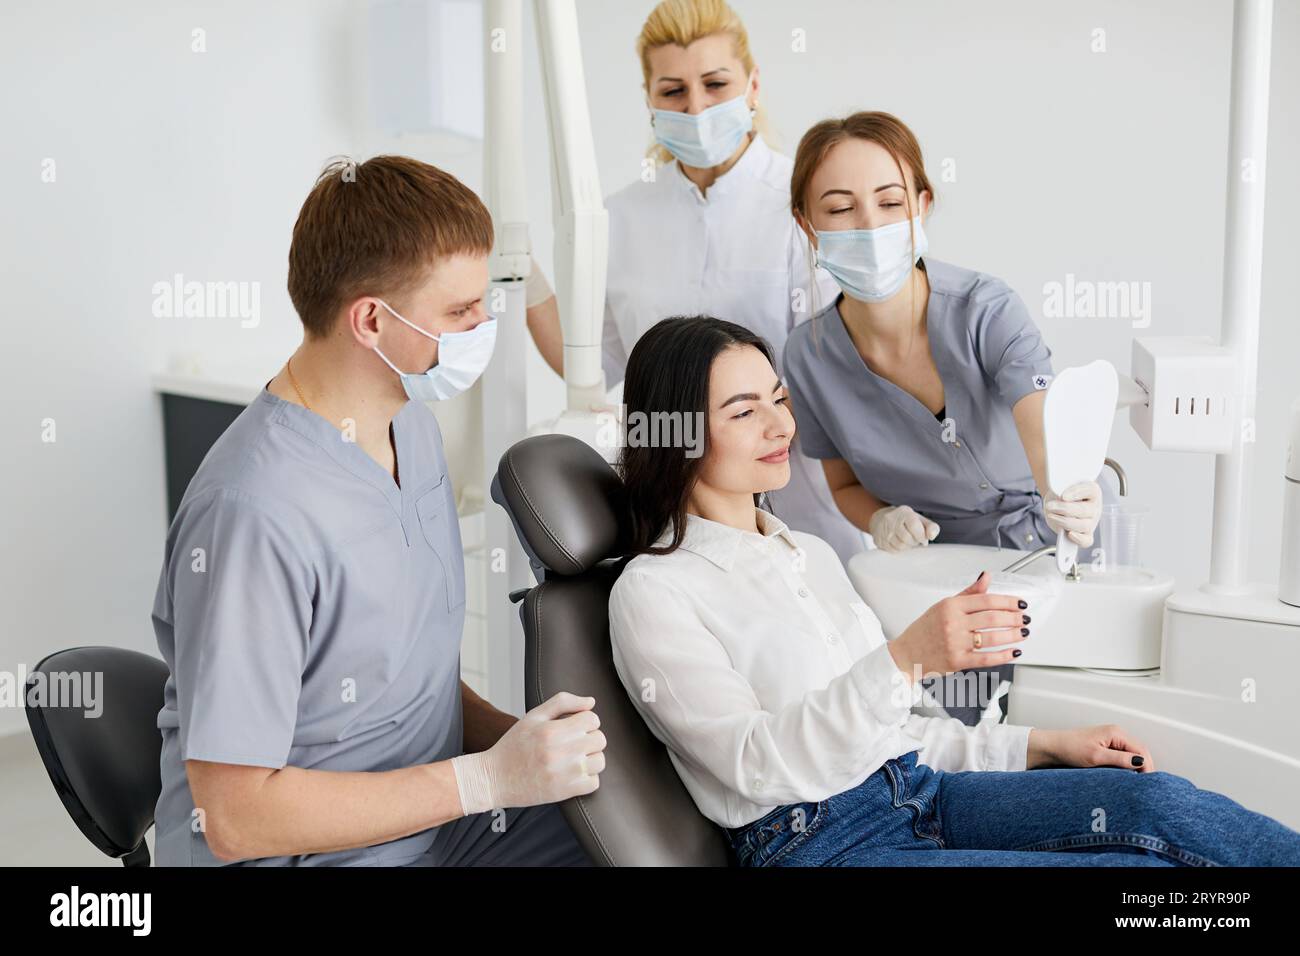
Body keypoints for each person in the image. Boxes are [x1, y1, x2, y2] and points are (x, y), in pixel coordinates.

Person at [607, 315, 1300, 866]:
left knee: (1161, 808)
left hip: (918, 790)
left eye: (779, 399)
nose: (780, 425)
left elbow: (899, 735)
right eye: (743, 410)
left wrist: (1044, 744)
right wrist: (907, 658)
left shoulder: (809, 556)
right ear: (680, 435)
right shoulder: (656, 591)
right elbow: (757, 766)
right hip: (818, 843)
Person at [150, 156, 604, 866]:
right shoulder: (253, 514)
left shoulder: (410, 425)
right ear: (370, 320)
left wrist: (529, 753)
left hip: (434, 824)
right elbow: (234, 818)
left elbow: (401, 670)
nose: (482, 326)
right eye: (459, 312)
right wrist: (487, 779)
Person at [782, 112, 1108, 722]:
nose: (869, 224)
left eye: (888, 201)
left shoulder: (986, 310)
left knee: (1076, 719)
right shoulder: (809, 356)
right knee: (970, 744)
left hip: (1057, 546)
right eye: (840, 207)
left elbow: (1040, 421)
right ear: (806, 223)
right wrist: (879, 519)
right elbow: (843, 486)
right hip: (939, 577)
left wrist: (1064, 490)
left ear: (922, 205)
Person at [524, 0, 865, 563]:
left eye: (715, 83)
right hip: (674, 517)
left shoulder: (804, 203)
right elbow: (588, 359)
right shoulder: (622, 218)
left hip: (801, 504)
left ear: (753, 85)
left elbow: (838, 374)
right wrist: (524, 271)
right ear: (650, 101)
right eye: (674, 91)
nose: (697, 106)